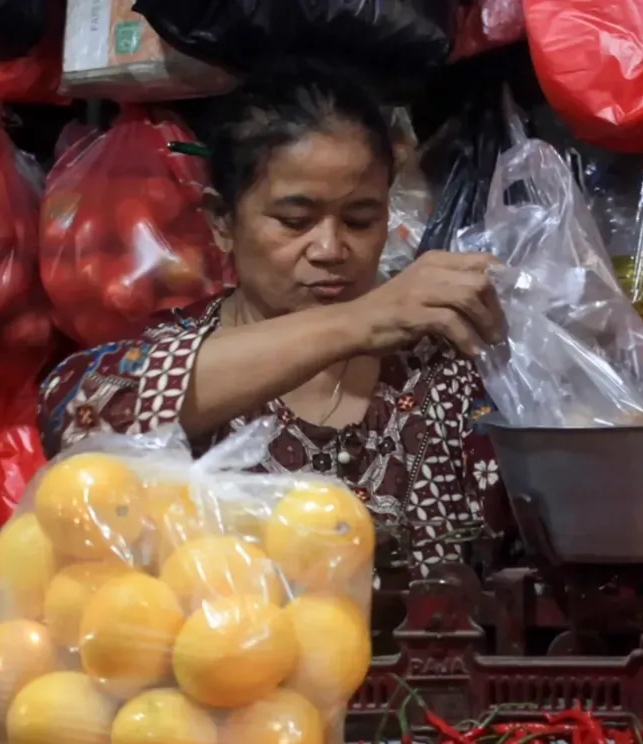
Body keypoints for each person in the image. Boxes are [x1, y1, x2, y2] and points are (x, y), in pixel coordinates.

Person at [38, 60, 508, 577]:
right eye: (295, 221)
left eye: (360, 219)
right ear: (222, 222)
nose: (330, 249)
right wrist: (360, 321)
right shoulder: (184, 349)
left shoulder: (440, 370)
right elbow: (75, 412)